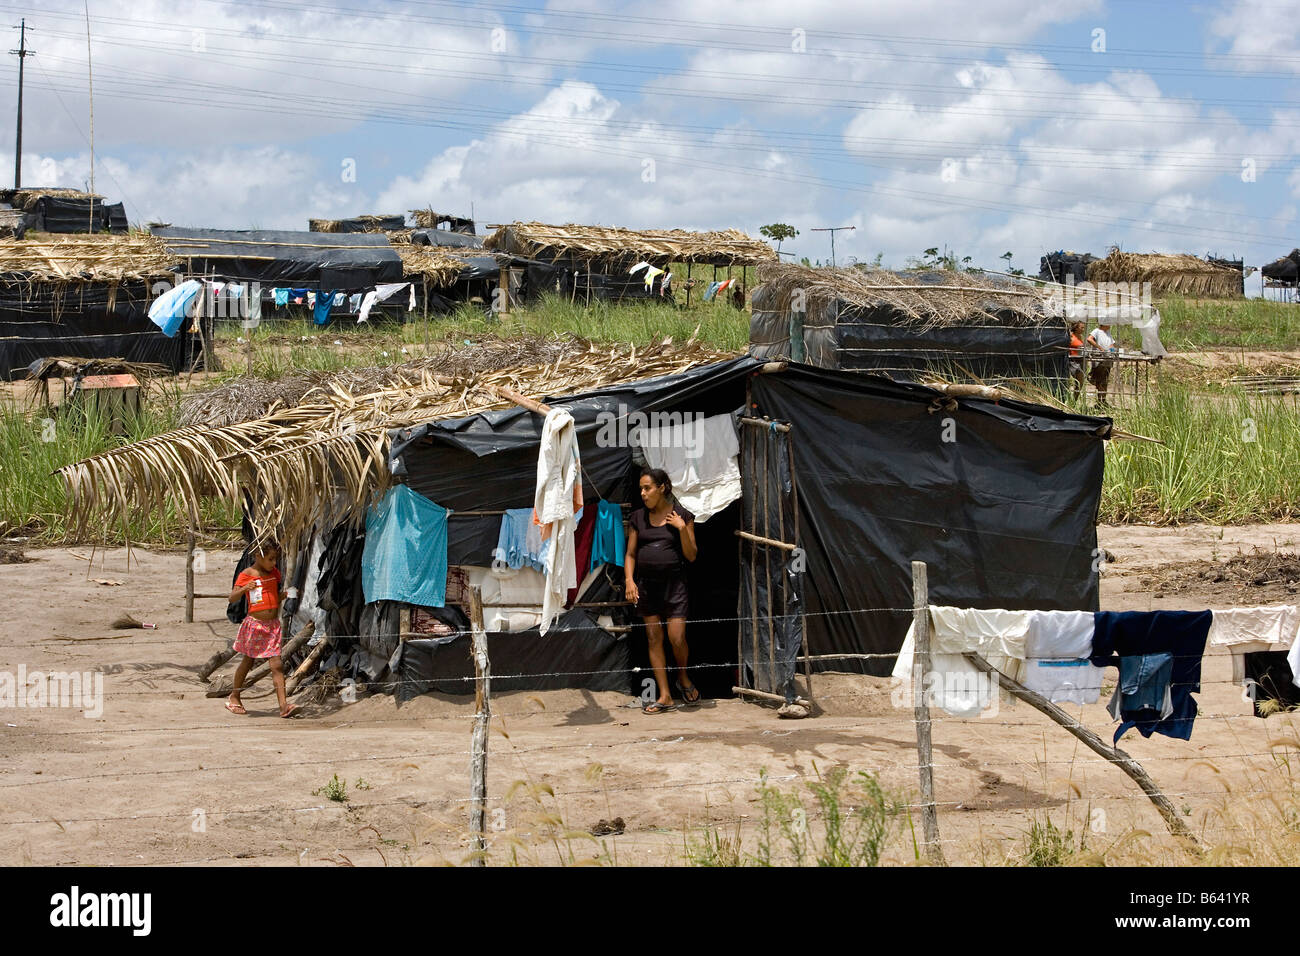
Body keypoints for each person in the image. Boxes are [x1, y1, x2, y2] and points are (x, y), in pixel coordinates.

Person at [625, 468, 700, 713]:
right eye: (641, 489)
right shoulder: (638, 518)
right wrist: (629, 580)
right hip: (647, 587)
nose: (643, 494)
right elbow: (631, 554)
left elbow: (691, 556)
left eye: (647, 488)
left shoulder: (682, 515)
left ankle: (683, 677)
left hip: (674, 586)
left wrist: (681, 528)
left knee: (676, 637)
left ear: (662, 488)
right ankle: (665, 694)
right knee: (654, 638)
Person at [225, 540, 296, 718]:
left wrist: (284, 595)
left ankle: (283, 705)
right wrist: (244, 590)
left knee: (277, 665)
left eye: (275, 560)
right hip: (255, 625)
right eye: (271, 559)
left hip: (272, 626)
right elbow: (232, 598)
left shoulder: (274, 574)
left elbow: (272, 596)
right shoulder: (247, 574)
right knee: (247, 661)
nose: (274, 563)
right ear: (258, 556)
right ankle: (234, 696)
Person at [1087, 322, 1117, 406]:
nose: (1110, 325)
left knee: (1105, 380)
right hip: (1099, 358)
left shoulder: (1108, 333)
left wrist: (1112, 351)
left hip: (1107, 358)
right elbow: (1089, 339)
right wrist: (1099, 347)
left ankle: (1102, 401)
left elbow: (1111, 345)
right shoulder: (1096, 331)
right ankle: (1100, 400)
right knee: (1099, 380)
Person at [1068, 321, 1087, 399]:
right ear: (1076, 328)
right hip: (1073, 360)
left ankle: (1074, 400)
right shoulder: (1070, 336)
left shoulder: (1080, 336)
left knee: (1080, 382)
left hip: (1080, 360)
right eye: (1081, 328)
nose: (1083, 329)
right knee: (1074, 381)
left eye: (1084, 328)